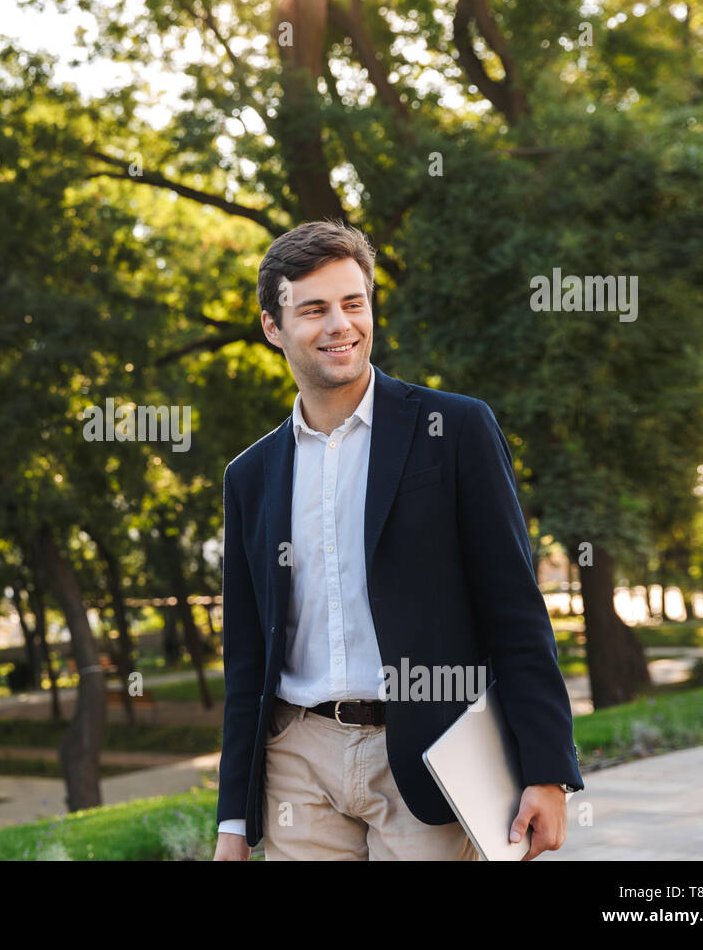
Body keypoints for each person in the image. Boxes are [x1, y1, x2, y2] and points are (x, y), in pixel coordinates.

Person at [213, 220, 584, 861]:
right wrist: (232, 823)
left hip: (428, 753)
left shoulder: (456, 429)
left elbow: (515, 607)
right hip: (296, 760)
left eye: (354, 303)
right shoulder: (249, 477)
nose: (341, 325)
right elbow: (247, 661)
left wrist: (547, 769)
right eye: (314, 310)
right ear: (273, 327)